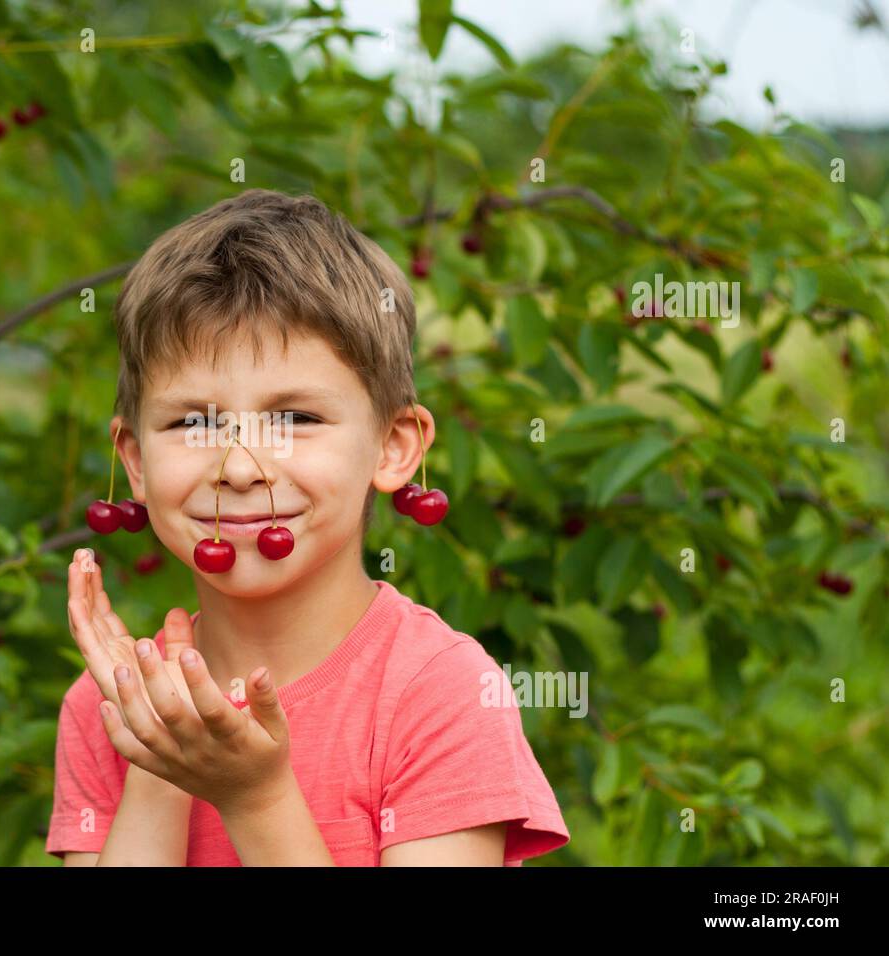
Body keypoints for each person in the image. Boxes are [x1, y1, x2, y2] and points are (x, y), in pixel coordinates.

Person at [46, 189, 569, 866]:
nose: (240, 467)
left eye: (295, 418)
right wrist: (158, 762)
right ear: (136, 461)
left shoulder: (437, 691)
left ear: (393, 447)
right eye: (192, 423)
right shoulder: (106, 703)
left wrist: (256, 799)